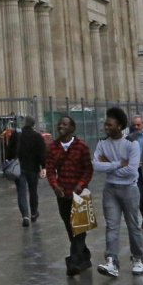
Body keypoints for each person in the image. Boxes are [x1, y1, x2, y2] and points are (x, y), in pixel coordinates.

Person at [93, 107, 143, 278]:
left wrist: (109, 165)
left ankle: (137, 258)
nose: (106, 127)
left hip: (129, 188)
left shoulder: (132, 144)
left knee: (133, 225)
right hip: (110, 189)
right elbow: (96, 165)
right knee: (112, 225)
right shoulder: (102, 143)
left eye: (109, 125)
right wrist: (116, 165)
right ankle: (112, 261)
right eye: (105, 124)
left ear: (119, 126)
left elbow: (131, 170)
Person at [46, 115, 94, 275]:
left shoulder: (81, 147)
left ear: (72, 128)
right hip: (63, 194)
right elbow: (50, 170)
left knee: (79, 228)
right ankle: (85, 256)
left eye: (65, 124)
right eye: (60, 124)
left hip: (79, 194)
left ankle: (73, 261)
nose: (61, 126)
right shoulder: (53, 147)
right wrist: (55, 185)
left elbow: (88, 169)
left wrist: (80, 185)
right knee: (69, 227)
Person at [4, 115, 46, 227]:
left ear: (24, 123)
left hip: (19, 168)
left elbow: (9, 152)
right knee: (33, 192)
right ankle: (33, 213)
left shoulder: (17, 134)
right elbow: (42, 154)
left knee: (21, 192)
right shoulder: (37, 137)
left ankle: (25, 215)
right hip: (33, 168)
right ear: (33, 124)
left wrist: (10, 159)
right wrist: (44, 167)